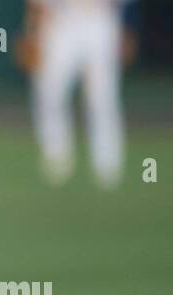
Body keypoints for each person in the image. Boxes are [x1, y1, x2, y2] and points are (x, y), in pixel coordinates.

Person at [22, 0, 137, 188]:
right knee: (49, 93)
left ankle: (107, 165)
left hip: (99, 19)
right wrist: (32, 28)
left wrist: (127, 26)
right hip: (61, 20)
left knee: (102, 97)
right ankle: (56, 158)